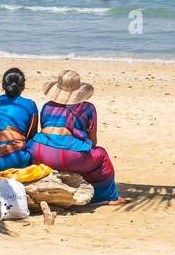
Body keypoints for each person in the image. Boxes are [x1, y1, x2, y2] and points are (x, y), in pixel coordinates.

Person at [27, 71, 126, 204]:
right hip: (67, 156)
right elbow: (93, 141)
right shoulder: (88, 108)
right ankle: (107, 197)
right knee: (101, 155)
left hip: (39, 151)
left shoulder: (47, 106)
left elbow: (45, 131)